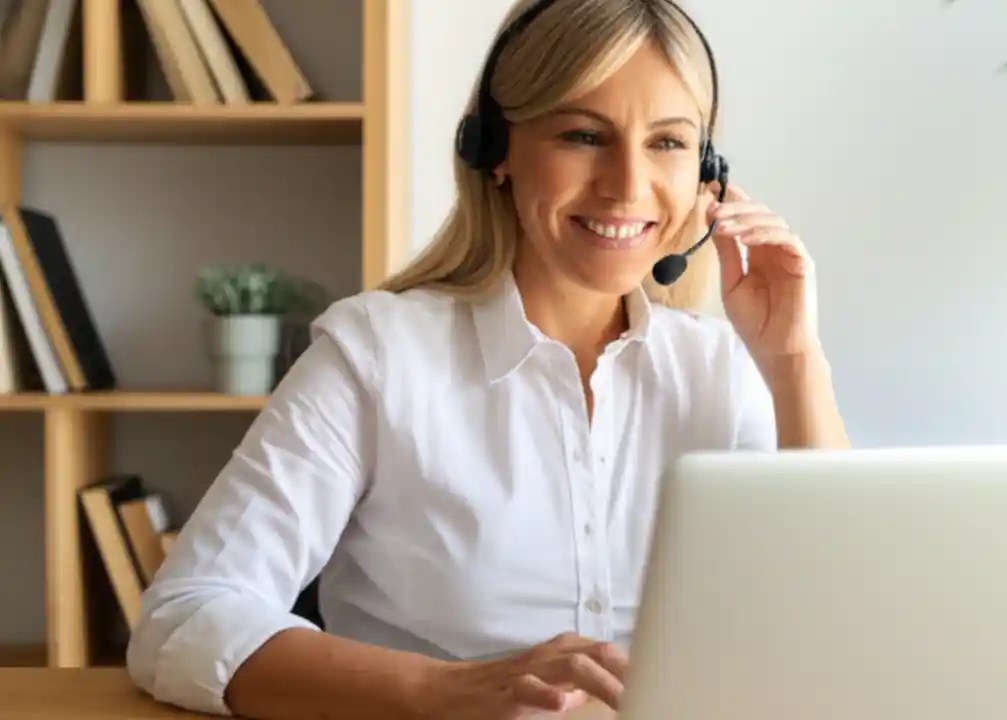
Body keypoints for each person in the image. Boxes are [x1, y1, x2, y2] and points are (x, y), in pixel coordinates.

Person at [126, 0, 850, 718]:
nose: (628, 186)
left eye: (667, 143)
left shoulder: (722, 369)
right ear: (494, 150)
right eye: (583, 135)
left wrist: (793, 359)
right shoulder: (377, 353)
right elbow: (184, 619)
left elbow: (844, 627)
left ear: (707, 171)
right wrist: (448, 690)